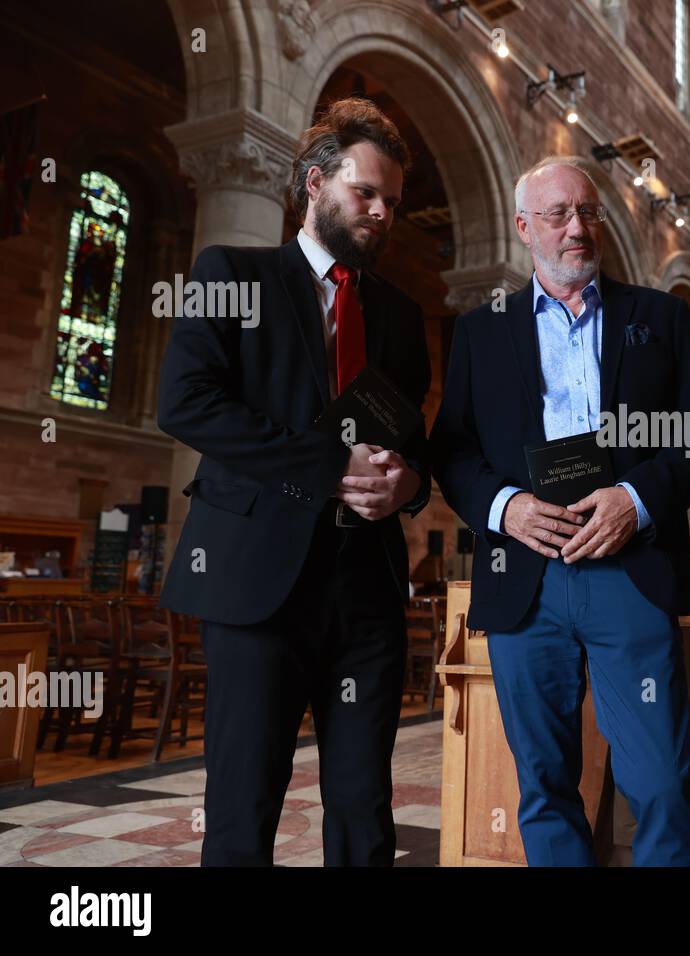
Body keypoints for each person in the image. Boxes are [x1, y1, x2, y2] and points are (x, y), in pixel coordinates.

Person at [157, 99, 432, 865]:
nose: (381, 212)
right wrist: (330, 465)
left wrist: (407, 485)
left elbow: (415, 448)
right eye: (365, 193)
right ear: (315, 183)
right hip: (255, 585)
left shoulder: (401, 317)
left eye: (392, 203)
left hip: (366, 589)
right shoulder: (230, 273)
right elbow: (184, 404)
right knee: (243, 809)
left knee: (363, 811)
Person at [430, 156, 690, 865]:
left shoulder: (659, 316)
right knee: (544, 785)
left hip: (629, 571)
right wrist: (506, 508)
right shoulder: (480, 331)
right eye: (558, 215)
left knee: (660, 779)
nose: (577, 229)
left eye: (588, 213)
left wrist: (636, 498)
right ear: (524, 227)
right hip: (526, 578)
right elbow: (453, 450)